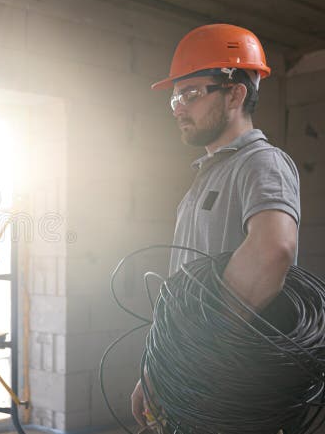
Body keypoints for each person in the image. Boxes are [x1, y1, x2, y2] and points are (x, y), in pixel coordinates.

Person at [130, 24, 301, 428]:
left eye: (191, 93)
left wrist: (198, 342)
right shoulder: (208, 176)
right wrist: (159, 366)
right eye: (175, 95)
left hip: (235, 389)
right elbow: (184, 283)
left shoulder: (262, 163)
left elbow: (273, 249)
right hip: (192, 379)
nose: (178, 107)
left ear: (236, 93)